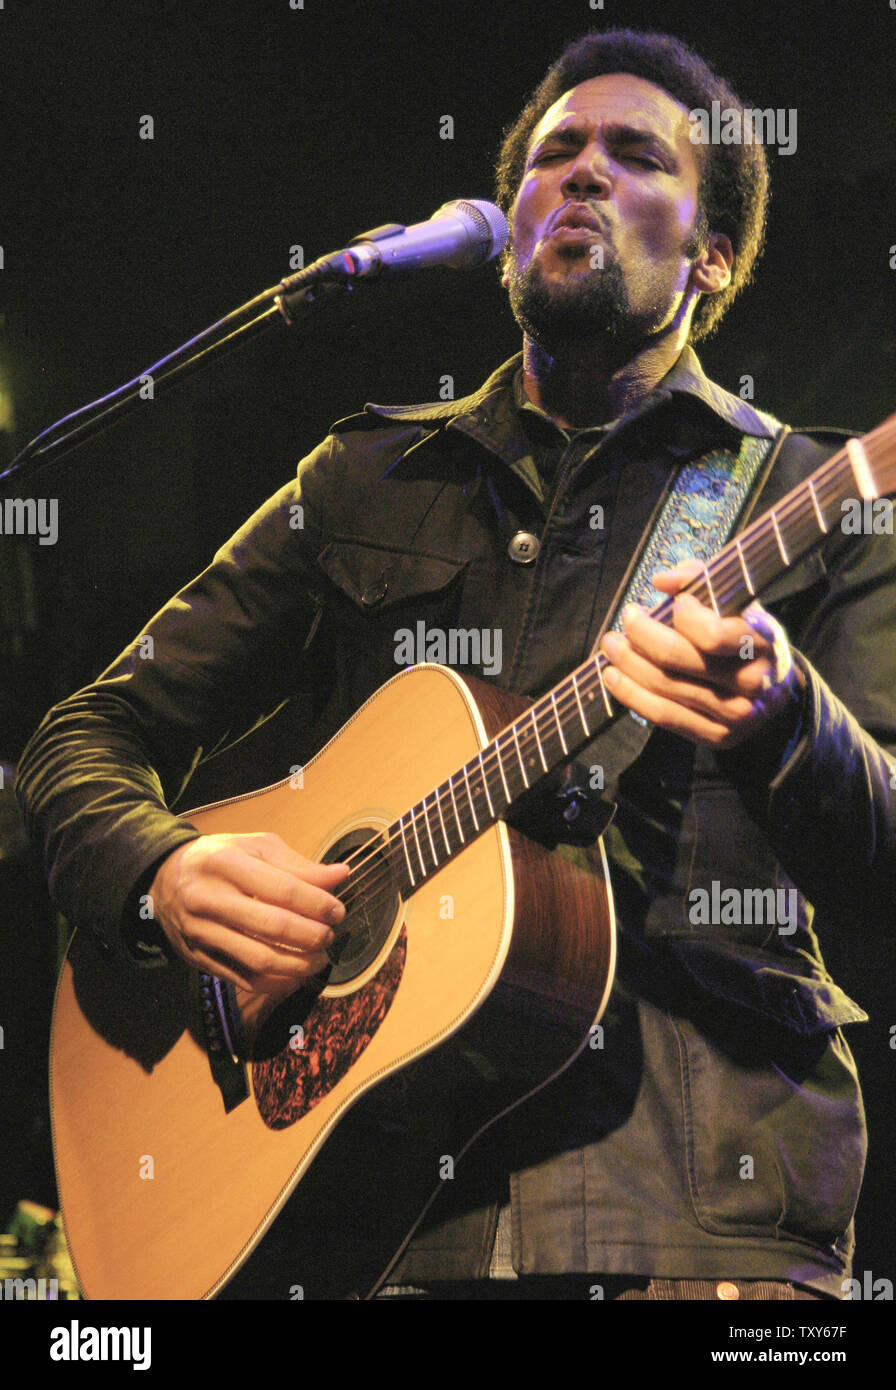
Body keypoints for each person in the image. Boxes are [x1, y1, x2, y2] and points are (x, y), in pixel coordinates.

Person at [17, 28, 896, 1301]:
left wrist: (775, 717)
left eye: (634, 155)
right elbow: (83, 734)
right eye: (553, 155)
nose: (579, 174)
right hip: (378, 1231)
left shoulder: (821, 498)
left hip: (696, 1231)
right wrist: (162, 872)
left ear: (711, 256)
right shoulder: (365, 477)